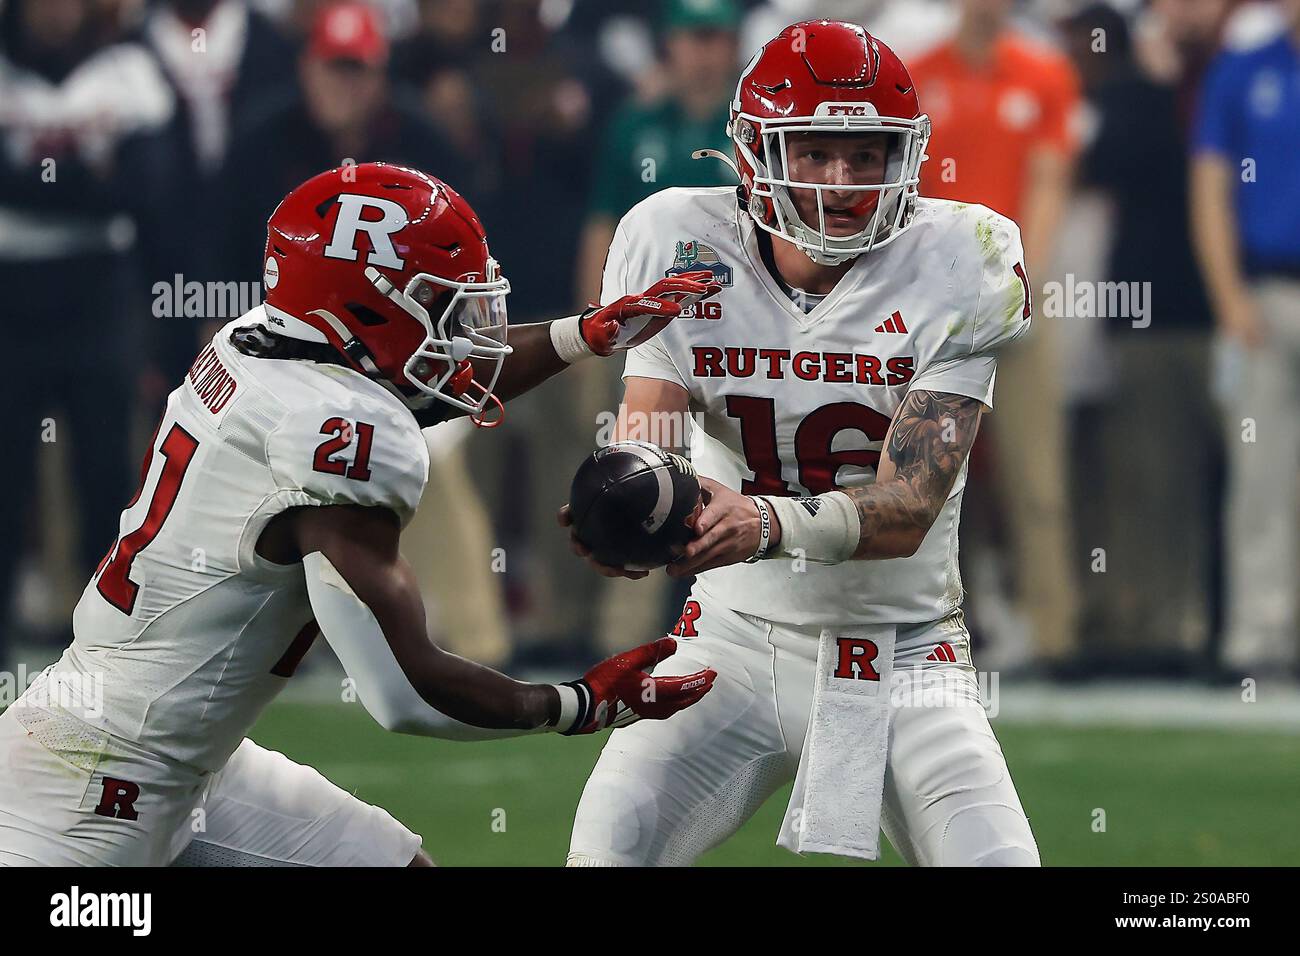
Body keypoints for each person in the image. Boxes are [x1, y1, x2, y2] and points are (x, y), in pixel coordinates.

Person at [0, 162, 720, 867]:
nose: (465, 328)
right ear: (369, 307)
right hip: (93, 783)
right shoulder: (340, 435)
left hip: (167, 745)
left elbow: (433, 375)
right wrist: (579, 703)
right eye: (441, 303)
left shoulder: (259, 339)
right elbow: (402, 694)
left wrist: (584, 333)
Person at [560, 22, 1040, 867]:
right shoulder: (677, 238)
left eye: (867, 153)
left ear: (908, 158)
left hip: (908, 654)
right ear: (753, 152)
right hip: (732, 642)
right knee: (607, 848)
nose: (842, 181)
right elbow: (654, 441)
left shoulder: (964, 255)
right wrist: (636, 507)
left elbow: (907, 509)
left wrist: (766, 522)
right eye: (815, 151)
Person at [908, 0, 1083, 672]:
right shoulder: (918, 76)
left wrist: (1018, 282)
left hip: (1014, 300)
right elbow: (910, 194)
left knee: (1037, 473)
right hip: (935, 310)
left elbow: (1048, 182)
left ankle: (1055, 633)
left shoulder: (1043, 74)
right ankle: (937, 628)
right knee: (928, 477)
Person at [1191, 0, 1300, 678]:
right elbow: (1210, 188)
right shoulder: (1241, 72)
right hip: (1265, 294)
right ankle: (1260, 638)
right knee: (1261, 476)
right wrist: (1228, 296)